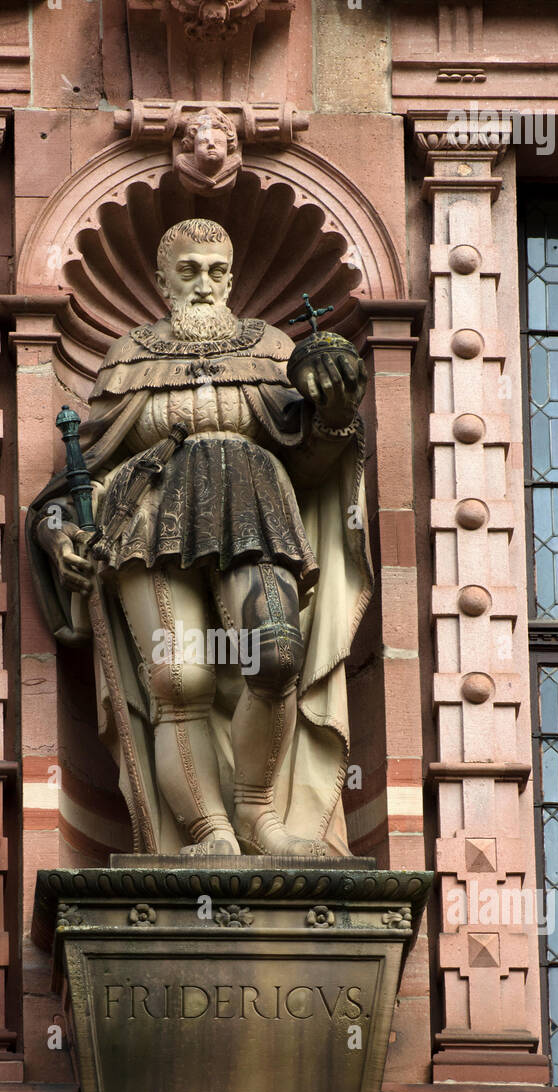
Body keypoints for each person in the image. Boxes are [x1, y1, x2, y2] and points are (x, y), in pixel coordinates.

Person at [26, 218, 372, 857]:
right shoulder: (128, 356)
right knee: (179, 680)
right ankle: (207, 830)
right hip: (146, 518)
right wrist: (59, 535)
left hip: (254, 506)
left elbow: (314, 461)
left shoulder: (268, 345)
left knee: (274, 658)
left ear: (234, 277)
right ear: (161, 280)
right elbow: (77, 479)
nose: (204, 284)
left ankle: (258, 816)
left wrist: (335, 410)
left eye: (216, 271)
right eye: (189, 271)